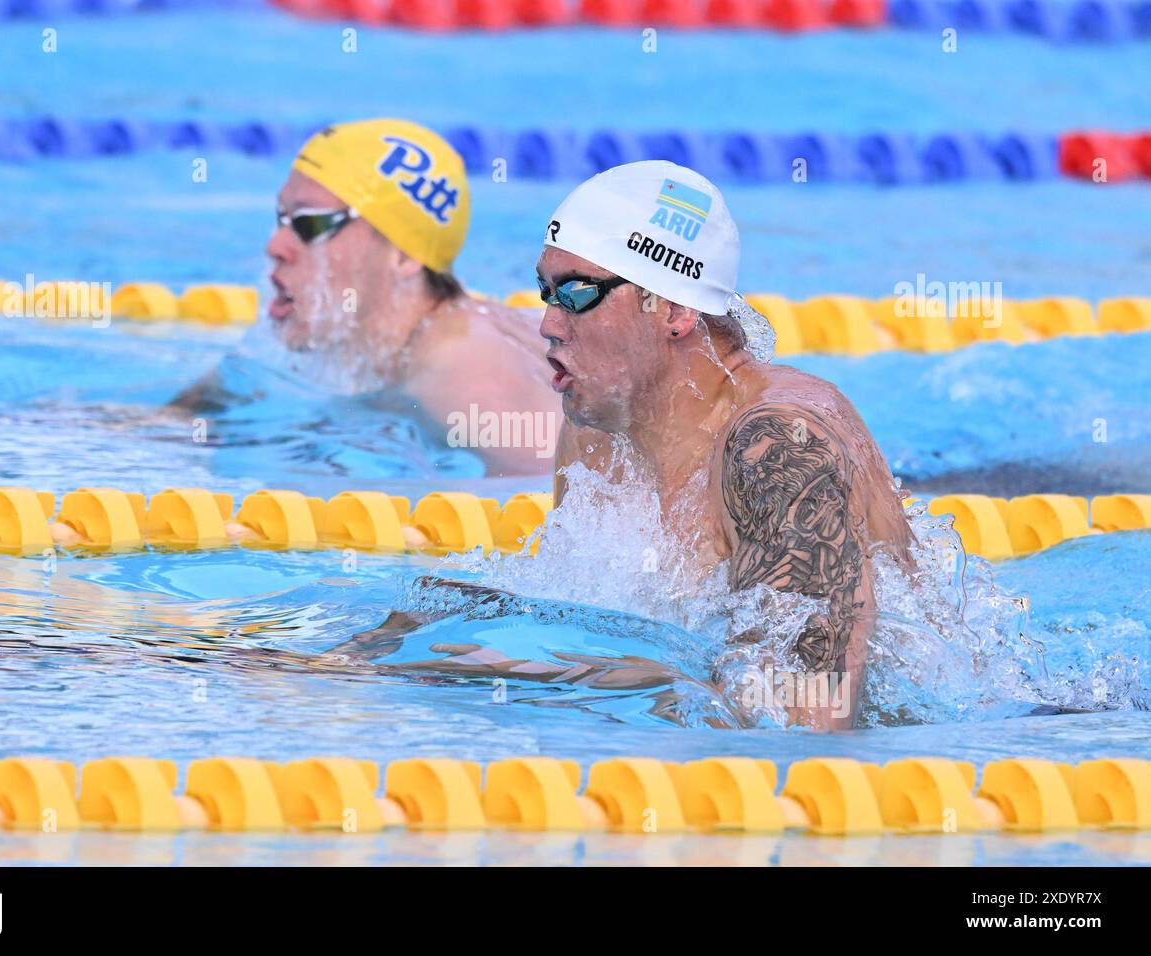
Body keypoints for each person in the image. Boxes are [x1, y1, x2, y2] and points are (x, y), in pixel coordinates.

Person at [332, 160, 915, 730]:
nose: (549, 323)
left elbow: (802, 719)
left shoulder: (782, 448)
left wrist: (531, 665)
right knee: (420, 616)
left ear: (674, 308)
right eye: (546, 291)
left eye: (578, 294)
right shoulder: (597, 432)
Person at [172, 118, 562, 477]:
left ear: (404, 254)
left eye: (310, 224)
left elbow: (556, 514)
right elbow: (161, 424)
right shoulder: (328, 349)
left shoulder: (461, 378)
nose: (276, 246)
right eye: (282, 220)